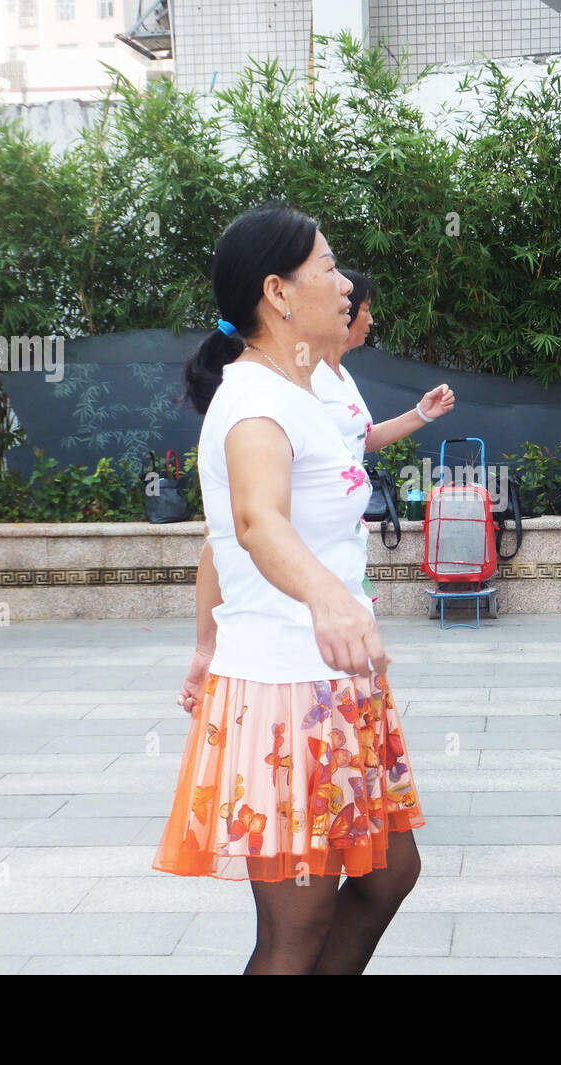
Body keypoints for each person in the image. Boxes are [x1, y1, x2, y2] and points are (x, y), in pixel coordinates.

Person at [155, 204, 424, 975]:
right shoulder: (253, 399)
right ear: (277, 291)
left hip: (332, 681)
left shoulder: (302, 390)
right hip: (282, 685)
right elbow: (254, 520)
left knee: (387, 874)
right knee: (297, 924)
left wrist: (207, 643)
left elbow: (221, 537)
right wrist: (329, 600)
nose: (346, 286)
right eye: (329, 268)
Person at [311, 269, 454, 464]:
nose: (371, 320)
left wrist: (422, 413)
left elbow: (361, 440)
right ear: (344, 308)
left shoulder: (342, 375)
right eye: (366, 308)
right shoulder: (308, 374)